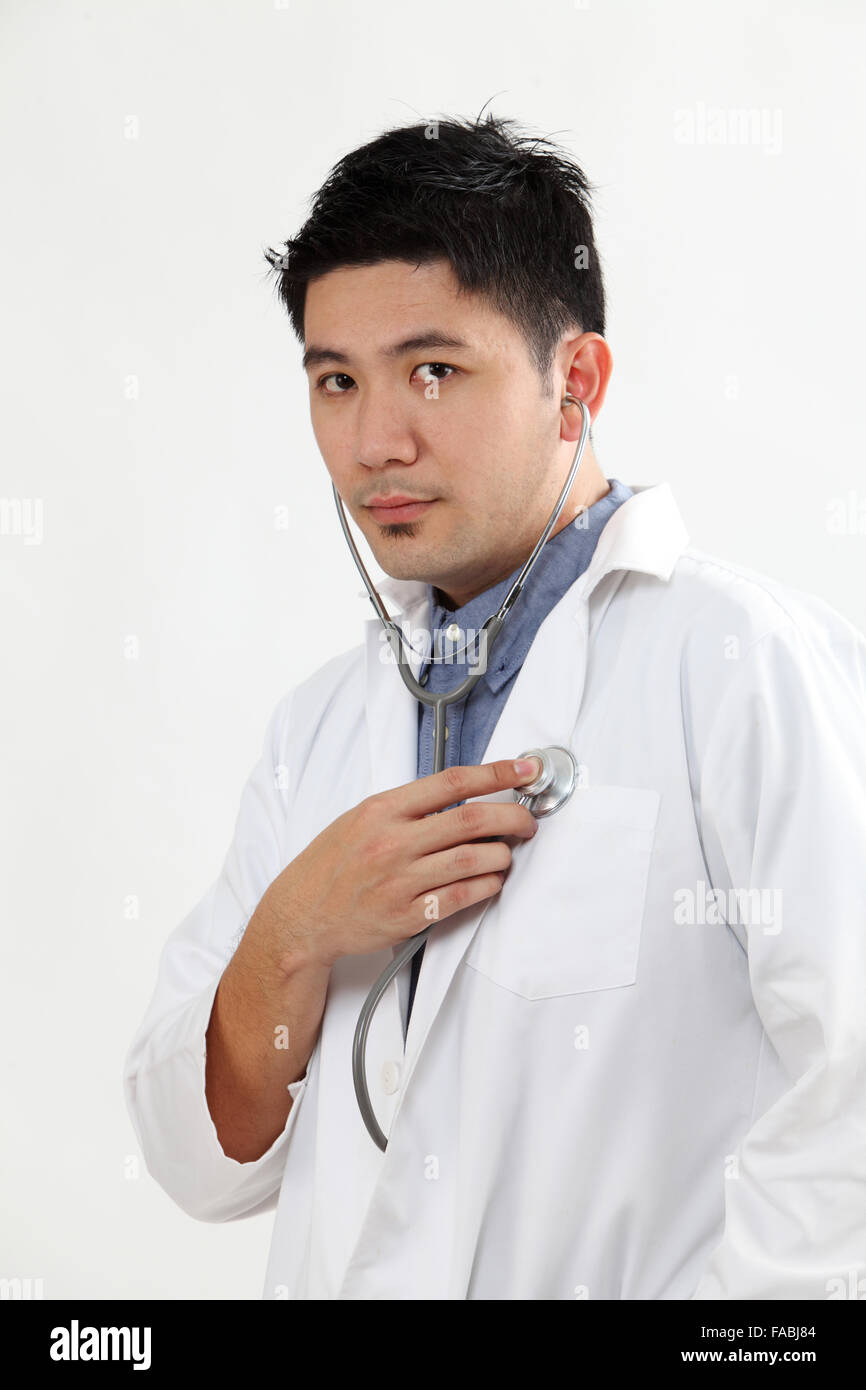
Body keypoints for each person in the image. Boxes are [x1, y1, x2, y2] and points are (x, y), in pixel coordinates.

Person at [123, 113, 866, 1301]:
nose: (374, 441)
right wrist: (293, 930)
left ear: (574, 383)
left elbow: (849, 1094)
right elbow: (199, 1160)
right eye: (334, 380)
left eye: (433, 370)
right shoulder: (316, 728)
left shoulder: (736, 662)